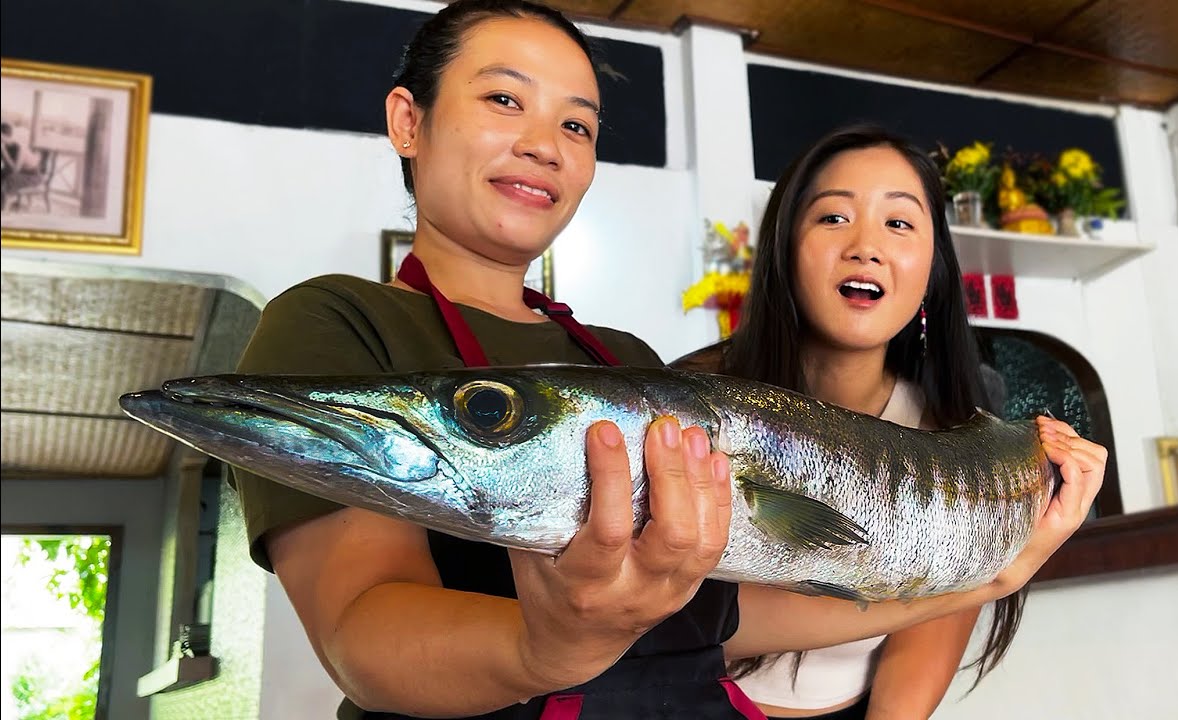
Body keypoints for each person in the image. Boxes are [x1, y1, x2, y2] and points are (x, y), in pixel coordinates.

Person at [228, 2, 1107, 718]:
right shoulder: (335, 321)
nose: (545, 144)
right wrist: (545, 647)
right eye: (503, 99)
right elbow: (363, 637)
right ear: (408, 120)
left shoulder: (625, 359)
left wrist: (994, 576)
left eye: (577, 124)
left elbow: (722, 616)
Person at [674, 125, 1106, 720]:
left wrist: (1004, 550)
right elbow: (683, 623)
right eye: (833, 217)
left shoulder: (950, 434)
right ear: (784, 246)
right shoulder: (695, 402)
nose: (865, 247)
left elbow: (919, 650)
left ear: (932, 267)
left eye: (899, 223)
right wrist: (992, 578)